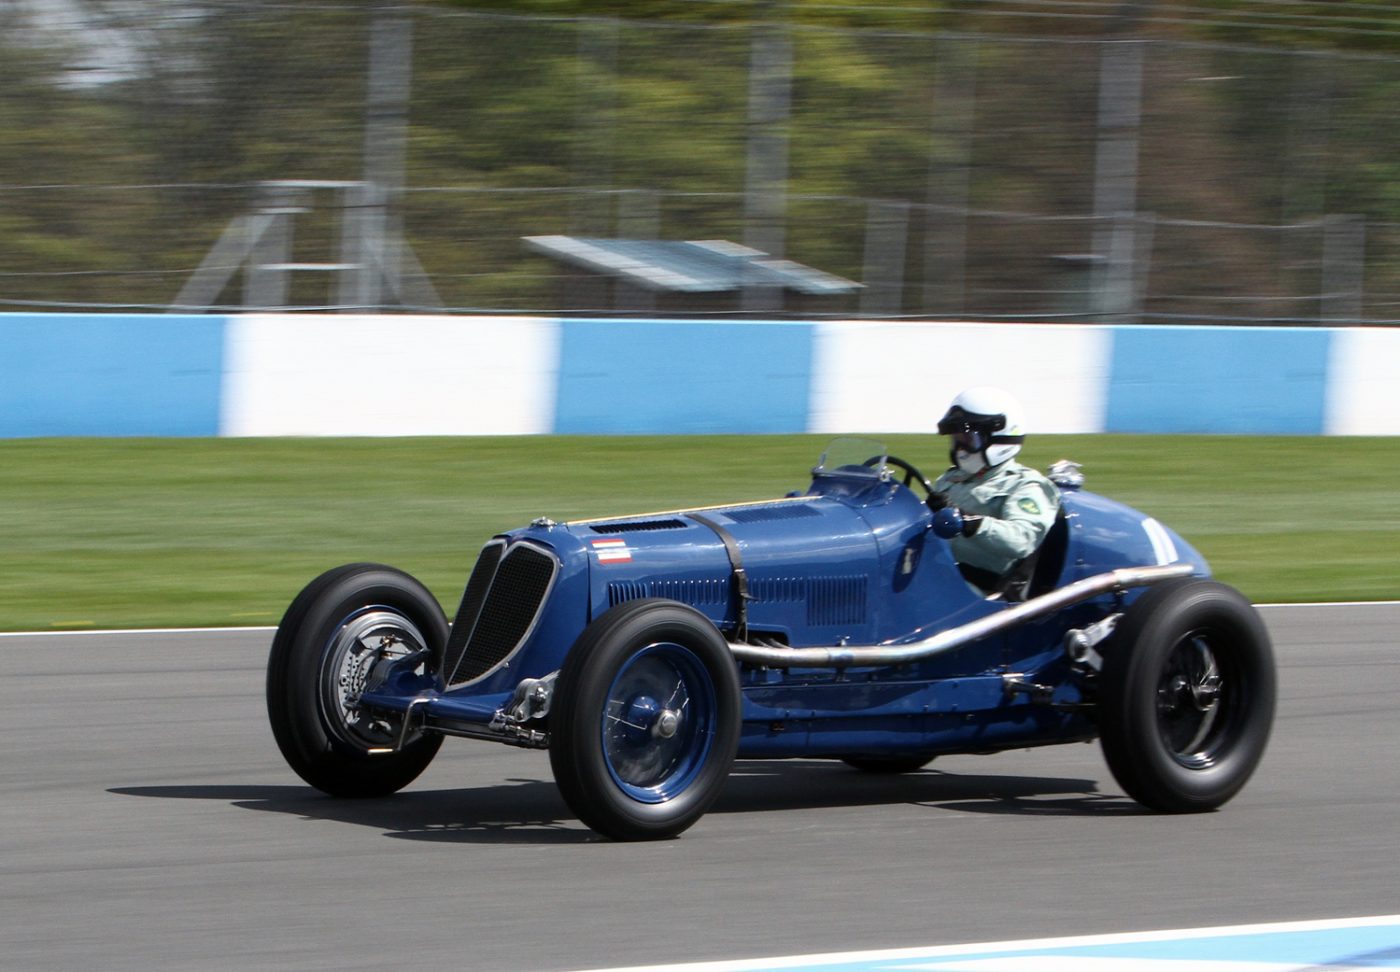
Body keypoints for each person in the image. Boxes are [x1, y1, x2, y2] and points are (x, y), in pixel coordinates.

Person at [929, 386, 1060, 595]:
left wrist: (970, 523)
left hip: (975, 589)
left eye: (968, 439)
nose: (960, 447)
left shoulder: (1026, 485)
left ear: (1000, 438)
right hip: (934, 571)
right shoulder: (949, 479)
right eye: (957, 439)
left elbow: (1022, 539)